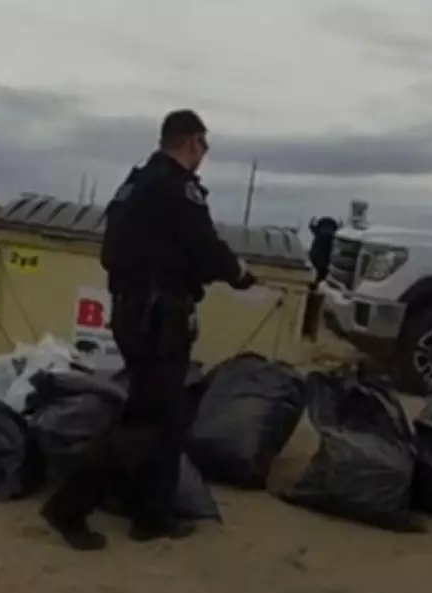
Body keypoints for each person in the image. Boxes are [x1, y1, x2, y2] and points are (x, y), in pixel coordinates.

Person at [41, 109, 256, 551]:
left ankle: (151, 516)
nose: (205, 155)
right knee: (143, 422)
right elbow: (205, 246)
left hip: (132, 312)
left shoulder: (134, 184)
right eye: (204, 146)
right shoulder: (179, 189)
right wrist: (239, 274)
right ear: (191, 142)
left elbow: (110, 253)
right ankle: (69, 507)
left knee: (164, 420)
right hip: (160, 319)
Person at [308, 216, 341, 289]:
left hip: (317, 257)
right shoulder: (332, 235)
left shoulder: (318, 231)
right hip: (325, 259)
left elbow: (311, 226)